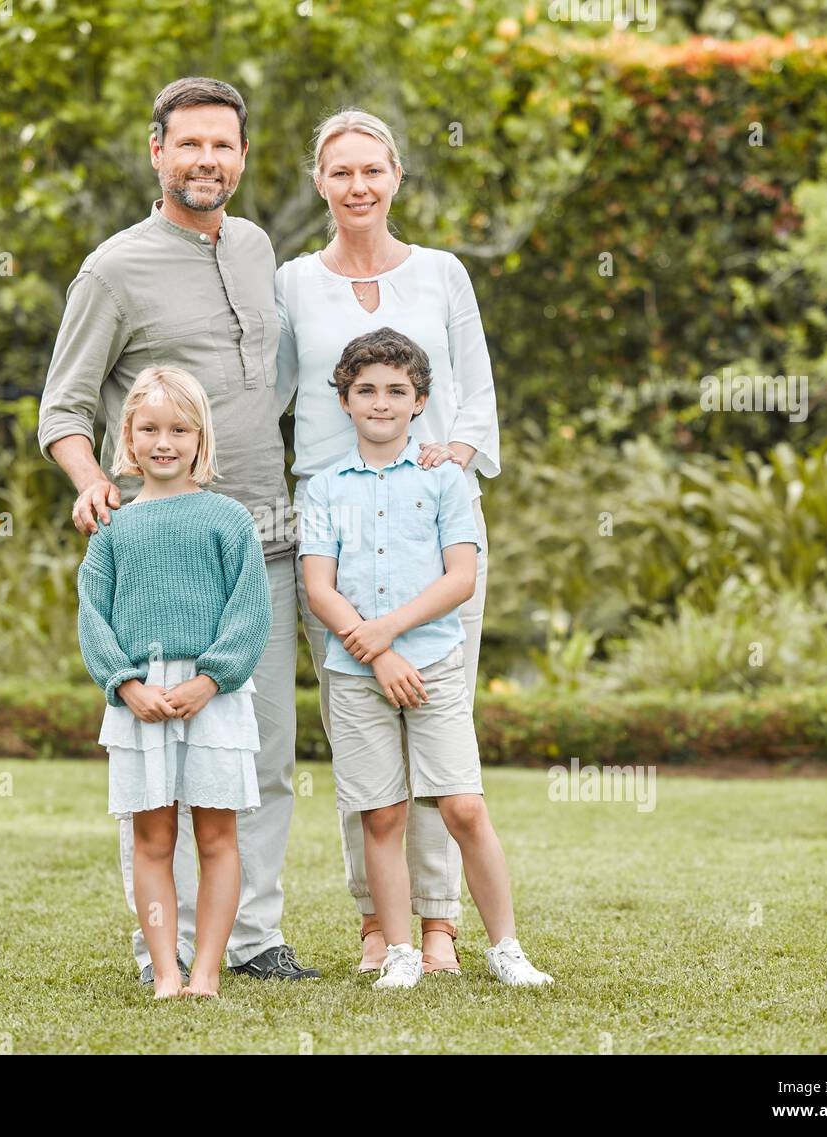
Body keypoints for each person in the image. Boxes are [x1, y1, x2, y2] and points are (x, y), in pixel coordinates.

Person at [39, 77, 319, 984]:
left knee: (260, 752)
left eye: (223, 145)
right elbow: (63, 408)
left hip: (263, 543)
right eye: (189, 144)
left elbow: (268, 381)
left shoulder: (257, 247)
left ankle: (252, 939)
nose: (207, 160)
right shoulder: (113, 269)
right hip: (161, 559)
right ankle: (158, 943)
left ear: (243, 156)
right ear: (156, 151)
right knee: (158, 769)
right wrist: (90, 482)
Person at [276, 108, 501, 975]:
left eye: (374, 170)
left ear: (397, 176)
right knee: (359, 726)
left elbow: (476, 390)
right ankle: (379, 922)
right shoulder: (295, 282)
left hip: (431, 534)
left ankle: (440, 921)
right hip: (334, 538)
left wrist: (461, 451)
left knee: (440, 726)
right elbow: (273, 392)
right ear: (320, 182)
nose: (358, 186)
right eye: (342, 172)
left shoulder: (442, 273)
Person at [298, 327, 553, 989]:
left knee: (463, 806)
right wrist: (375, 653)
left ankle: (506, 948)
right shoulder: (324, 489)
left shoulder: (445, 481)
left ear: (419, 401)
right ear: (345, 400)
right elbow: (319, 588)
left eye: (396, 391)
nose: (381, 403)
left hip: (434, 664)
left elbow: (459, 577)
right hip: (358, 675)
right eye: (366, 390)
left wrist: (388, 632)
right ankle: (400, 950)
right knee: (381, 812)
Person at [78, 366, 271, 998]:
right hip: (139, 698)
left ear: (200, 438)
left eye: (179, 429)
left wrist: (212, 679)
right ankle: (166, 970)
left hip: (212, 696)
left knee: (217, 836)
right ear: (127, 439)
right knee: (152, 839)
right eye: (149, 428)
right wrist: (124, 684)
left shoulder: (228, 519)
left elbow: (250, 610)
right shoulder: (112, 528)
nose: (165, 442)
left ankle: (208, 972)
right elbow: (93, 615)